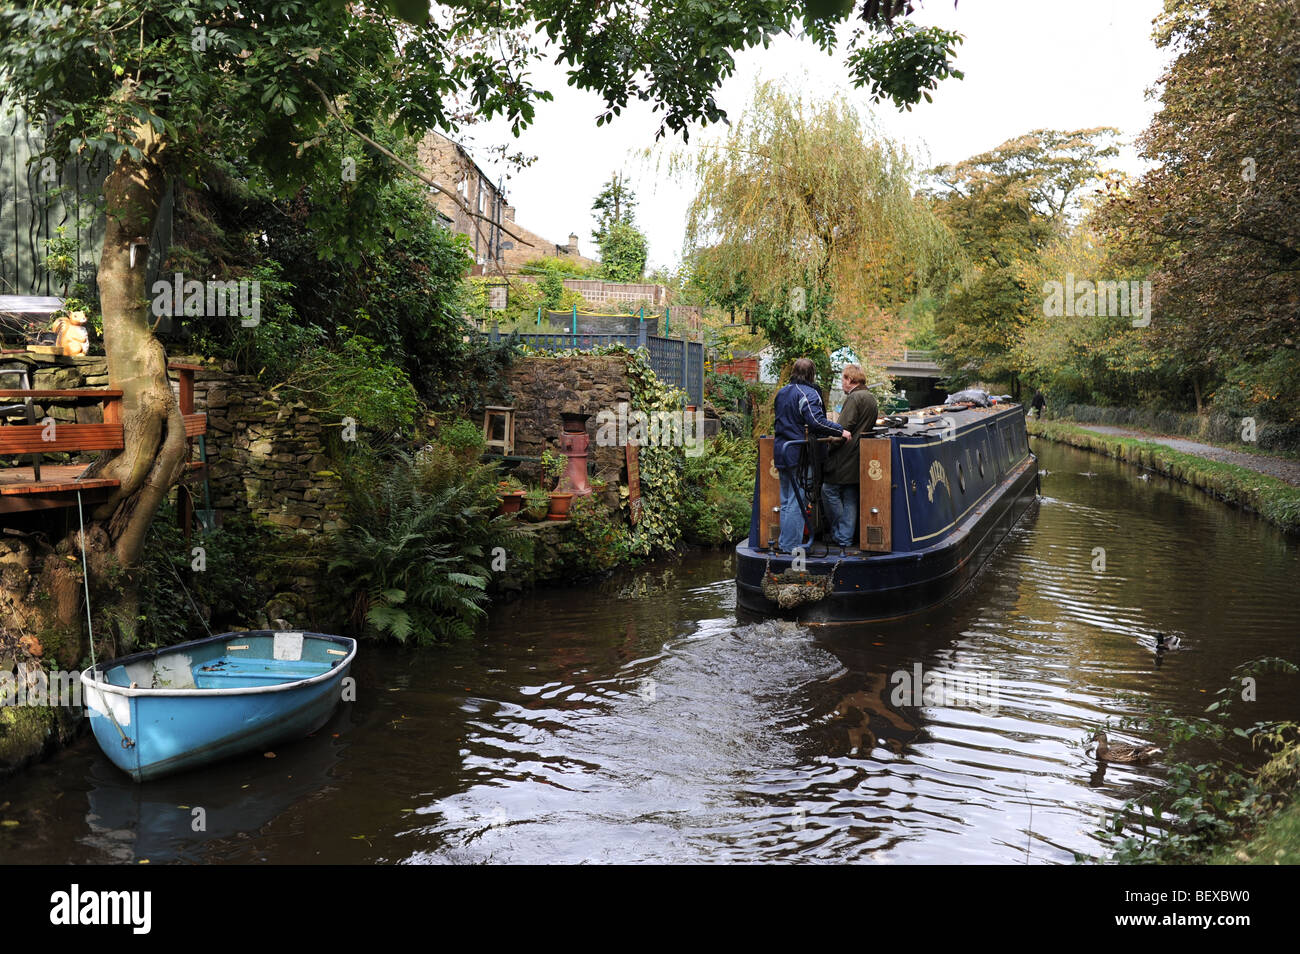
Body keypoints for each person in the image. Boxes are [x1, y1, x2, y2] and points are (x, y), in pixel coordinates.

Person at [773, 358, 849, 552]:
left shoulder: (782, 392)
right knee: (797, 501)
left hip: (782, 450)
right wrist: (840, 431)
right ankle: (791, 546)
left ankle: (785, 543)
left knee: (786, 500)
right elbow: (816, 422)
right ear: (812, 374)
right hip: (800, 453)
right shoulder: (809, 394)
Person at [821, 364, 879, 551]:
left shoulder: (854, 398)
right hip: (861, 454)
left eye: (843, 380)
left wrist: (829, 443)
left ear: (850, 380)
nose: (842, 384)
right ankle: (846, 537)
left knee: (828, 490)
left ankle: (841, 533)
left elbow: (843, 429)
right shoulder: (870, 397)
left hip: (845, 455)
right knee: (850, 495)